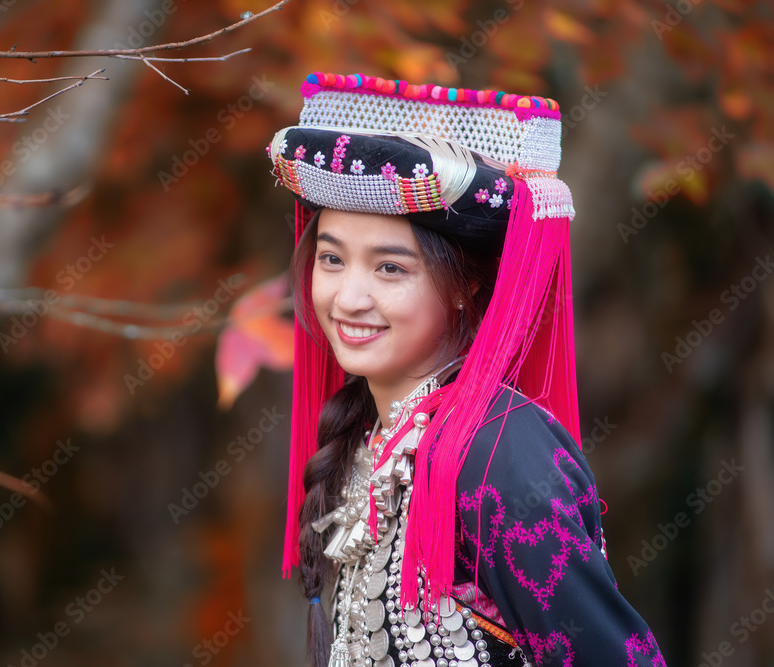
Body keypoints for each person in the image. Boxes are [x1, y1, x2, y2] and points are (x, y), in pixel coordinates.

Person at [266, 72, 666, 667]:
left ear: (465, 286)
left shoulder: (502, 452)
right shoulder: (369, 436)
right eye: (331, 259)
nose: (348, 297)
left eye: (390, 269)